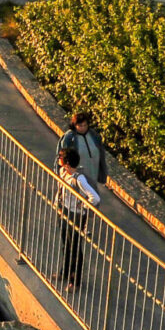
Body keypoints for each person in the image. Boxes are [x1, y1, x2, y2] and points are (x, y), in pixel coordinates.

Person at [55, 113, 104, 294]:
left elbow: (95, 198)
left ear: (67, 162)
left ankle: (75, 281)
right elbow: (60, 189)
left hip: (75, 214)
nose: (59, 162)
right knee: (65, 243)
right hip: (64, 210)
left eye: (61, 159)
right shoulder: (63, 173)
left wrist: (82, 208)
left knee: (76, 246)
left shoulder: (79, 178)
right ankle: (64, 272)